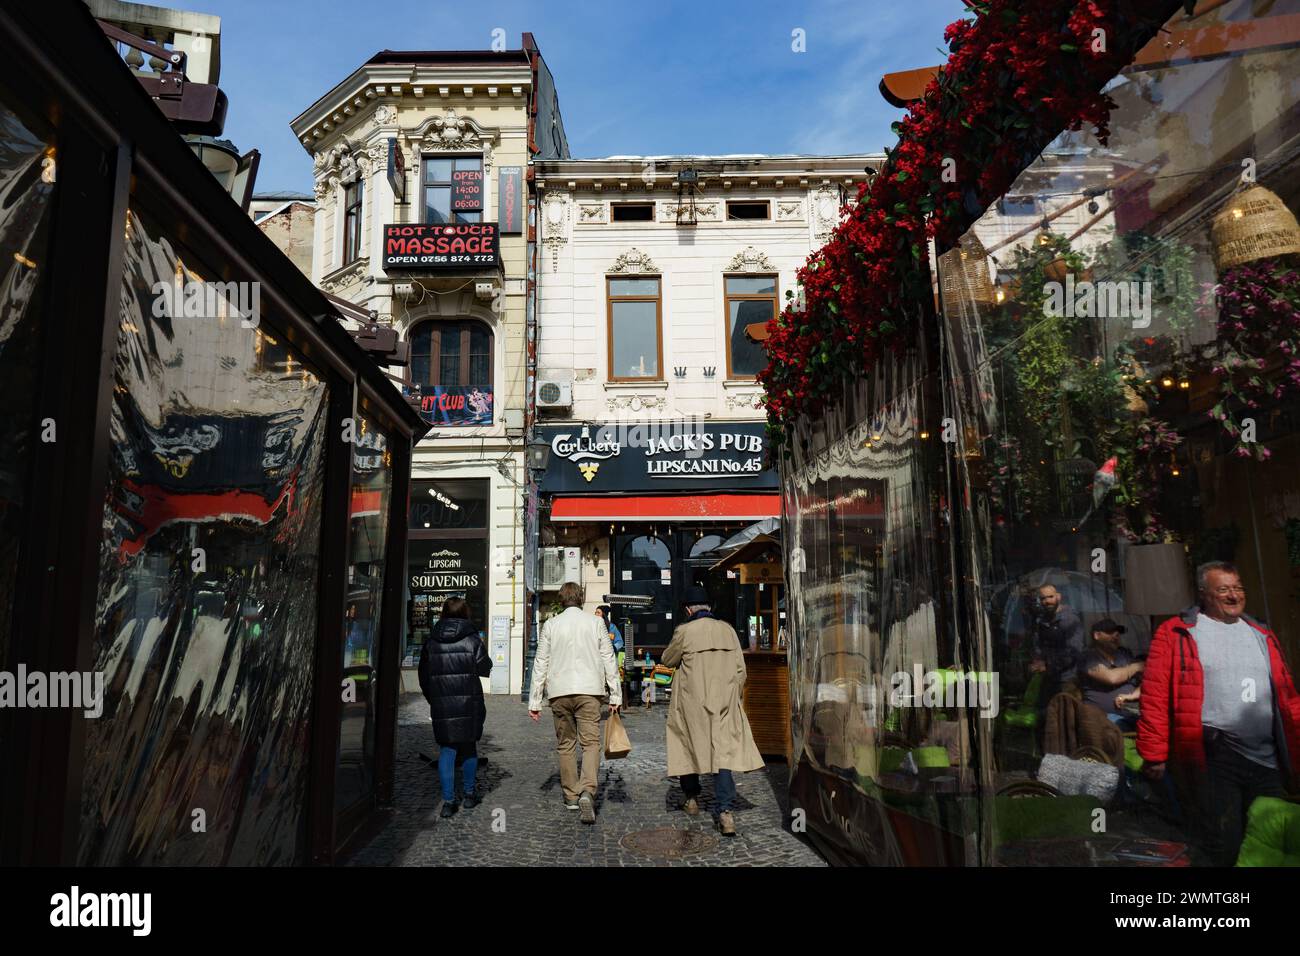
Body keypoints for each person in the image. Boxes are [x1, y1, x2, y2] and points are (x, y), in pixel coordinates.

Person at [1137, 561, 1300, 866]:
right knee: (1224, 843)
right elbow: (1155, 694)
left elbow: (1287, 696)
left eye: (1238, 588)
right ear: (1204, 594)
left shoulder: (1261, 632)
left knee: (1268, 839)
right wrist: (1154, 753)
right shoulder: (1177, 632)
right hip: (1216, 754)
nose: (1233, 595)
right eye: (1223, 589)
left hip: (1267, 757)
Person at [661, 584, 764, 837]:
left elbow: (668, 660)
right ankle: (725, 812)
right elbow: (741, 670)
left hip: (692, 702)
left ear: (688, 609)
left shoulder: (684, 631)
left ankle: (692, 799)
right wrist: (731, 695)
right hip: (724, 703)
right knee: (723, 754)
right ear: (709, 607)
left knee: (686, 743)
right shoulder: (728, 630)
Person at [528, 582, 622, 824]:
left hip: (559, 692)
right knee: (590, 744)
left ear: (561, 600)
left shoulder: (551, 625)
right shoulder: (595, 623)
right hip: (589, 691)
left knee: (566, 745)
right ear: (581, 598)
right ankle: (587, 791)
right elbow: (608, 658)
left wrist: (535, 700)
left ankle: (570, 796)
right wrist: (615, 695)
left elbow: (540, 663)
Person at [417, 597, 492, 818]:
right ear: (465, 613)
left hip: (442, 702)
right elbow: (485, 668)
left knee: (447, 751)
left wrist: (434, 698)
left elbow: (423, 675)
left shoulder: (431, 640)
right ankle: (469, 796)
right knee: (468, 747)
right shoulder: (472, 638)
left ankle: (448, 802)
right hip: (469, 701)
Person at [1077, 618, 1144, 729]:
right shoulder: (1088, 657)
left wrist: (1132, 695)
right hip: (1104, 716)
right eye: (1110, 632)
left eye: (1118, 632)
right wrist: (1136, 667)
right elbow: (1111, 678)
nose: (1116, 635)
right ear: (1097, 636)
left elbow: (1146, 678)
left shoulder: (1124, 654)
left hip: (1132, 712)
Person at [1028, 584, 1085, 703]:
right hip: (1048, 678)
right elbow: (1037, 643)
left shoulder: (1070, 619)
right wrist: (1037, 660)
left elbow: (1074, 651)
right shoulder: (1042, 619)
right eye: (1043, 598)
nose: (1047, 601)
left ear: (1058, 597)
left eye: (1050, 597)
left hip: (1067, 680)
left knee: (1067, 716)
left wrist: (1047, 665)